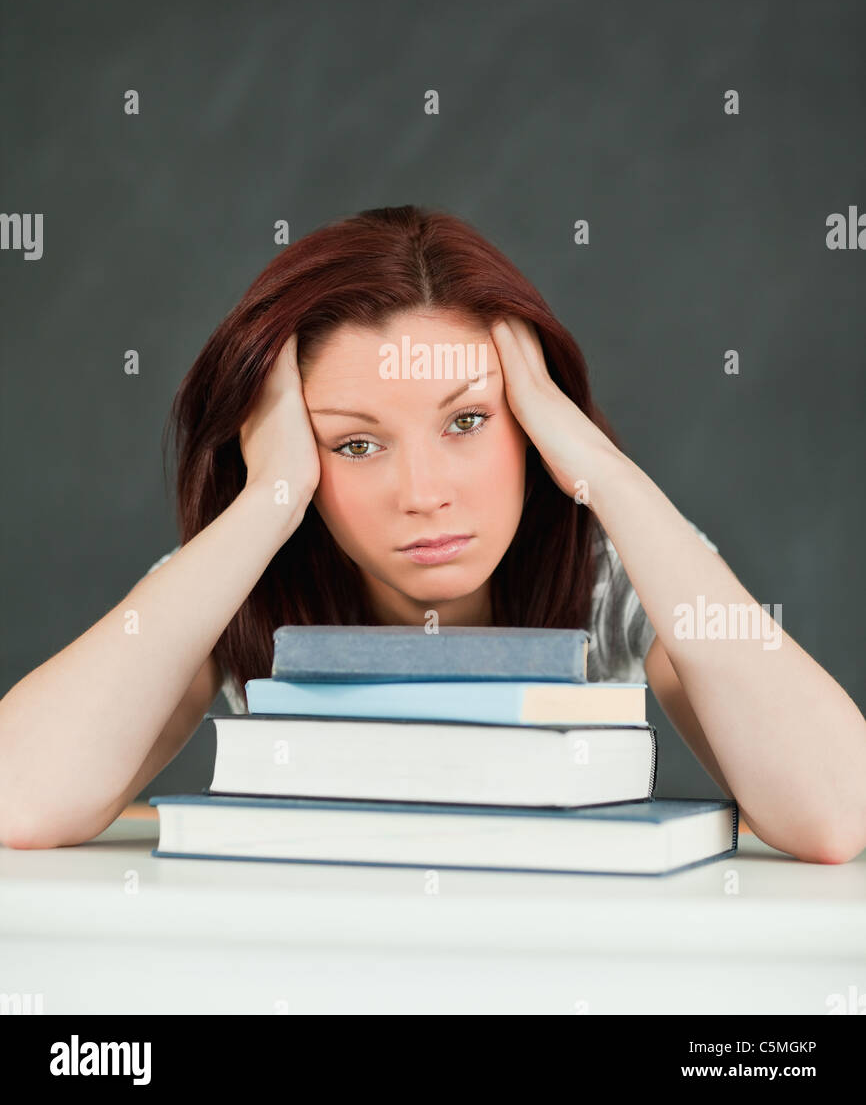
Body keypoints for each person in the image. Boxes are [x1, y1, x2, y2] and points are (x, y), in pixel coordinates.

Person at [1, 205, 864, 860]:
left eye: (468, 422)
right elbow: (16, 799)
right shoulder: (236, 584)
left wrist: (602, 470)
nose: (423, 494)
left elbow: (836, 811)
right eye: (356, 443)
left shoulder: (616, 577)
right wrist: (269, 500)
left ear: (533, 422)